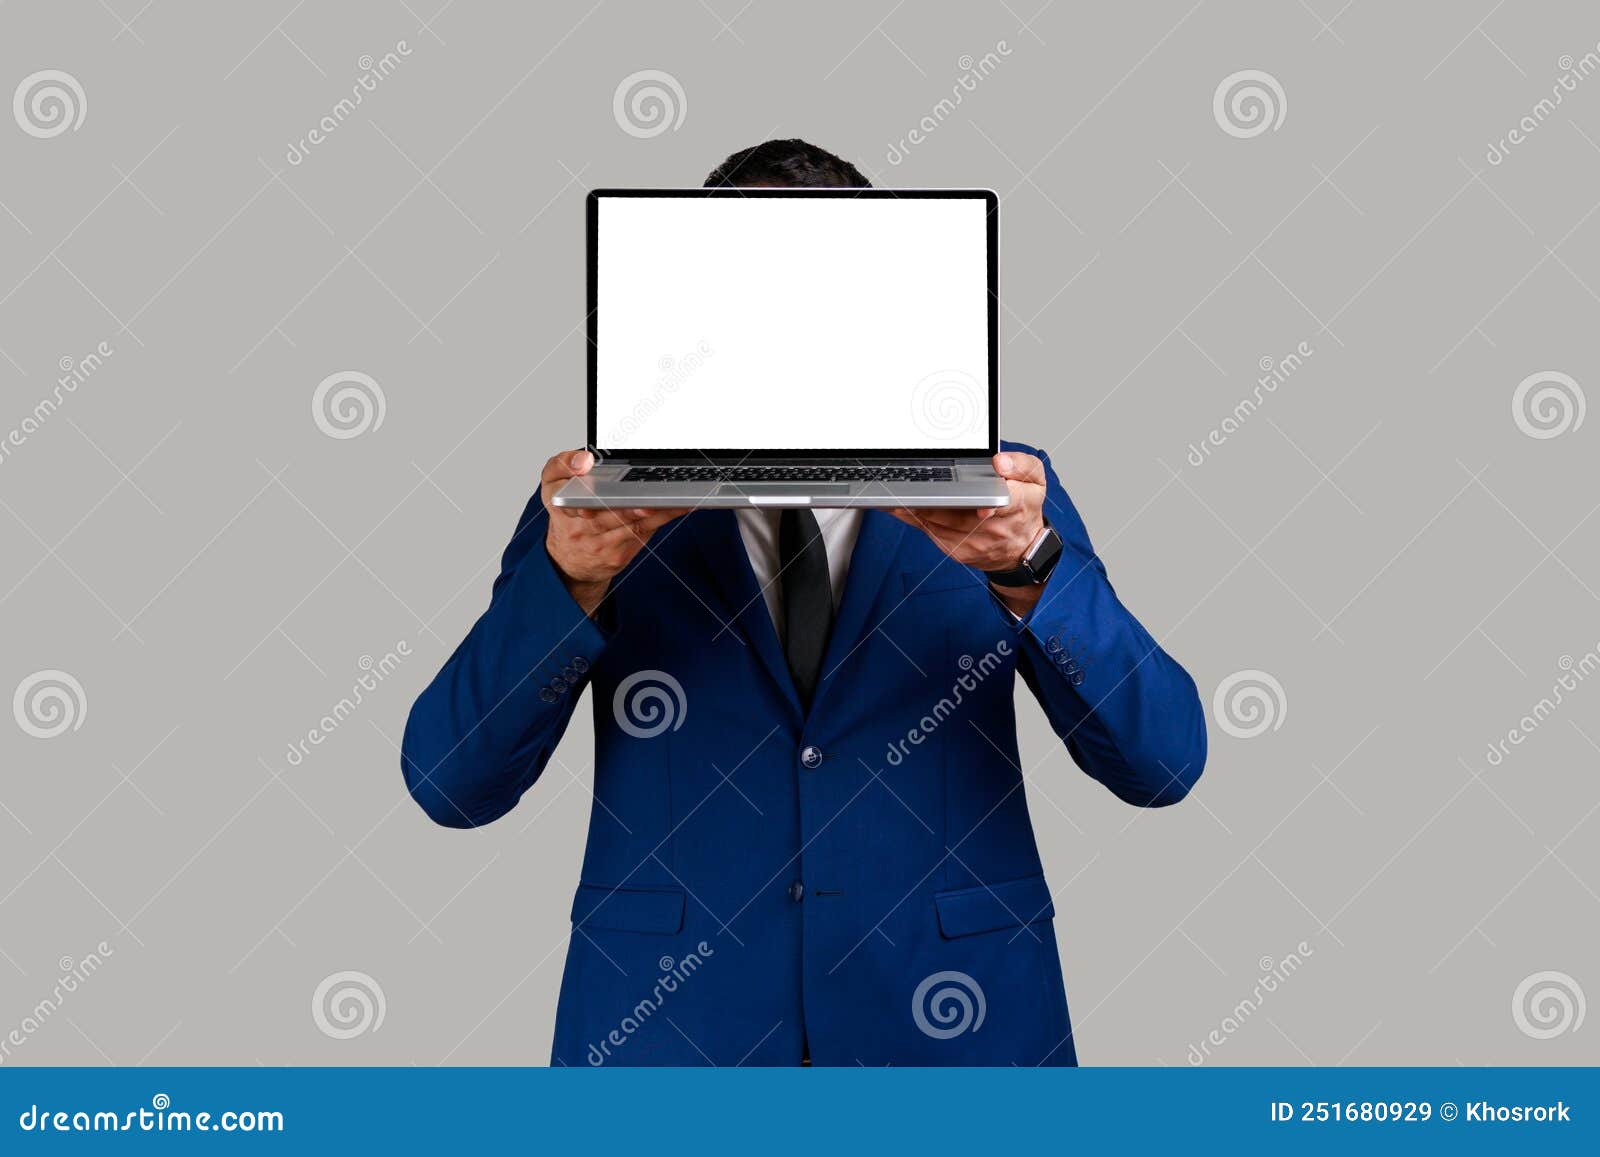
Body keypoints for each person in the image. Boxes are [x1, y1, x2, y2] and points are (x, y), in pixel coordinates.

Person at [402, 139, 1206, 1066]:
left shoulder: (999, 489)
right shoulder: (600, 502)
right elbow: (450, 784)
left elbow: (1164, 762)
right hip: (674, 1038)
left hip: (958, 1035)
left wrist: (1031, 567)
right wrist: (569, 581)